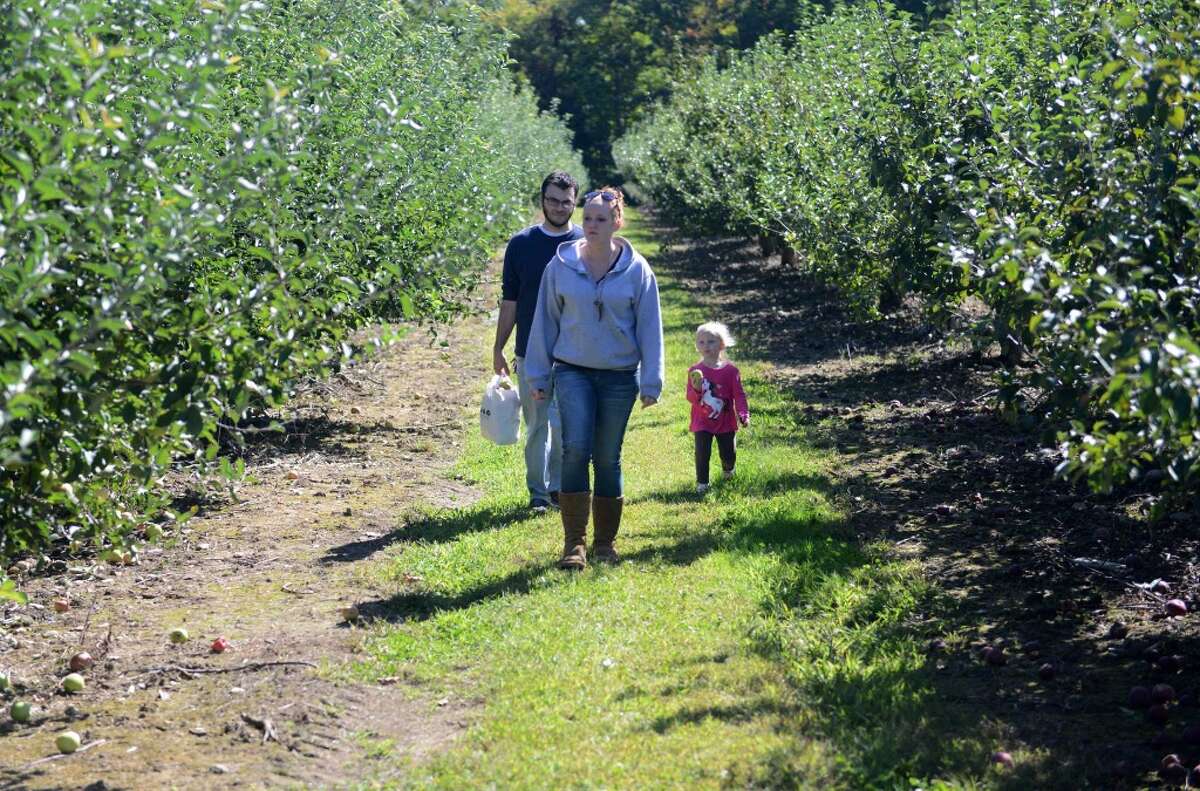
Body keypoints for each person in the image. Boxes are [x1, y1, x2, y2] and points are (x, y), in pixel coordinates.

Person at [524, 186, 664, 569]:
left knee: (607, 458)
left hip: (620, 376)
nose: (592, 225)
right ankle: (574, 544)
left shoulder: (637, 270)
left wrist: (651, 381)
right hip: (572, 371)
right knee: (574, 450)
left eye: (601, 219)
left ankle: (604, 543)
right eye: (587, 218)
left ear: (618, 221)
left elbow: (650, 327)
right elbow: (544, 323)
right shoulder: (561, 267)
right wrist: (538, 376)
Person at [493, 172, 584, 512]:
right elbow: (510, 301)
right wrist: (498, 347)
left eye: (566, 201)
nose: (559, 207)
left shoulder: (582, 244)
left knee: (566, 426)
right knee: (537, 426)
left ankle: (560, 487)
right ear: (542, 200)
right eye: (552, 200)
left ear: (574, 202)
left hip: (574, 352)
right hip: (530, 352)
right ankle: (538, 493)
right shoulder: (521, 244)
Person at [686, 322, 749, 494]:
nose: (706, 345)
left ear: (722, 344)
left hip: (726, 422)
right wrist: (697, 389)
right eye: (701, 342)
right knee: (702, 453)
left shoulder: (731, 371)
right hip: (702, 421)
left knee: (728, 454)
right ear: (697, 346)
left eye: (711, 341)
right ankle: (702, 484)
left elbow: (739, 395)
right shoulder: (695, 371)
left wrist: (743, 413)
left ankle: (729, 471)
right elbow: (690, 398)